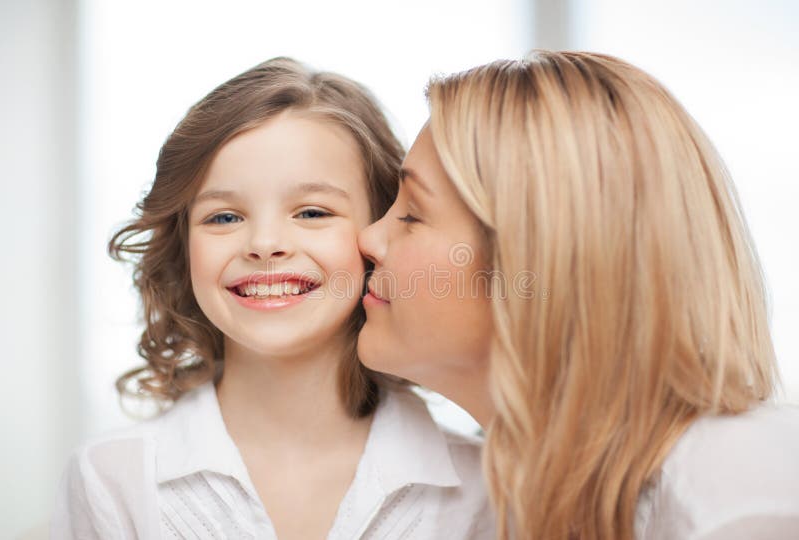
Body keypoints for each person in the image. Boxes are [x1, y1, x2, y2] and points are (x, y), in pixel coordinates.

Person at [358, 50, 799, 539]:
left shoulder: (736, 496)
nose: (368, 239)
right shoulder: (523, 505)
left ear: (537, 256)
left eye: (412, 214)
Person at [51, 57, 493, 540]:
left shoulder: (484, 487)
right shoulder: (112, 479)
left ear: (379, 234)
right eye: (223, 217)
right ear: (183, 249)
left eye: (311, 212)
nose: (264, 243)